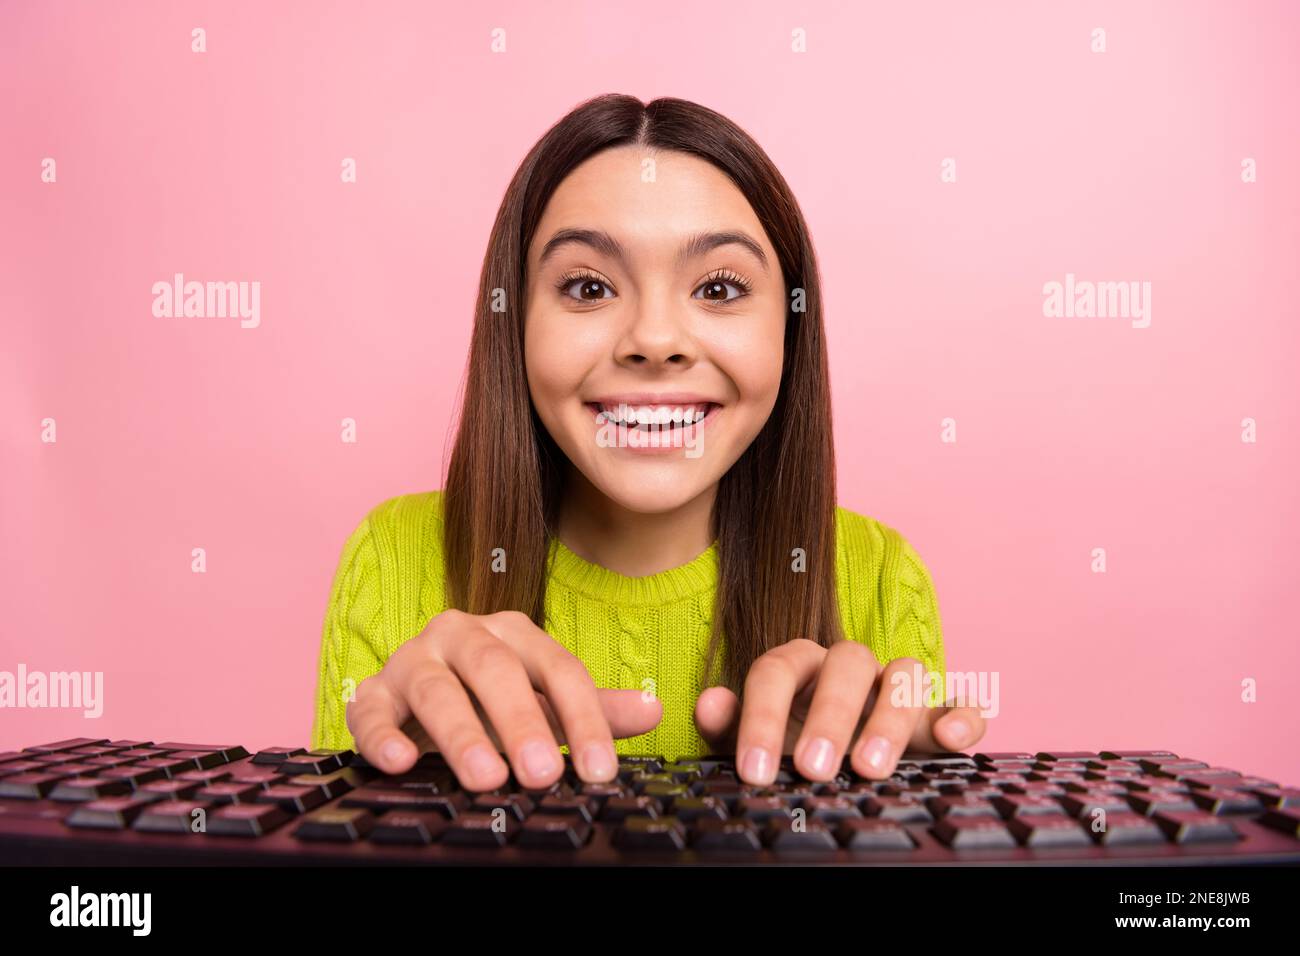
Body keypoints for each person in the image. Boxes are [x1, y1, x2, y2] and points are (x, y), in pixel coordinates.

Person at [310, 93, 986, 792]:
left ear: (790, 327)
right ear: (514, 321)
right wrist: (392, 793)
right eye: (588, 286)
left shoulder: (879, 578)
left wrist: (892, 814)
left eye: (720, 289)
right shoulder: (391, 558)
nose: (655, 341)